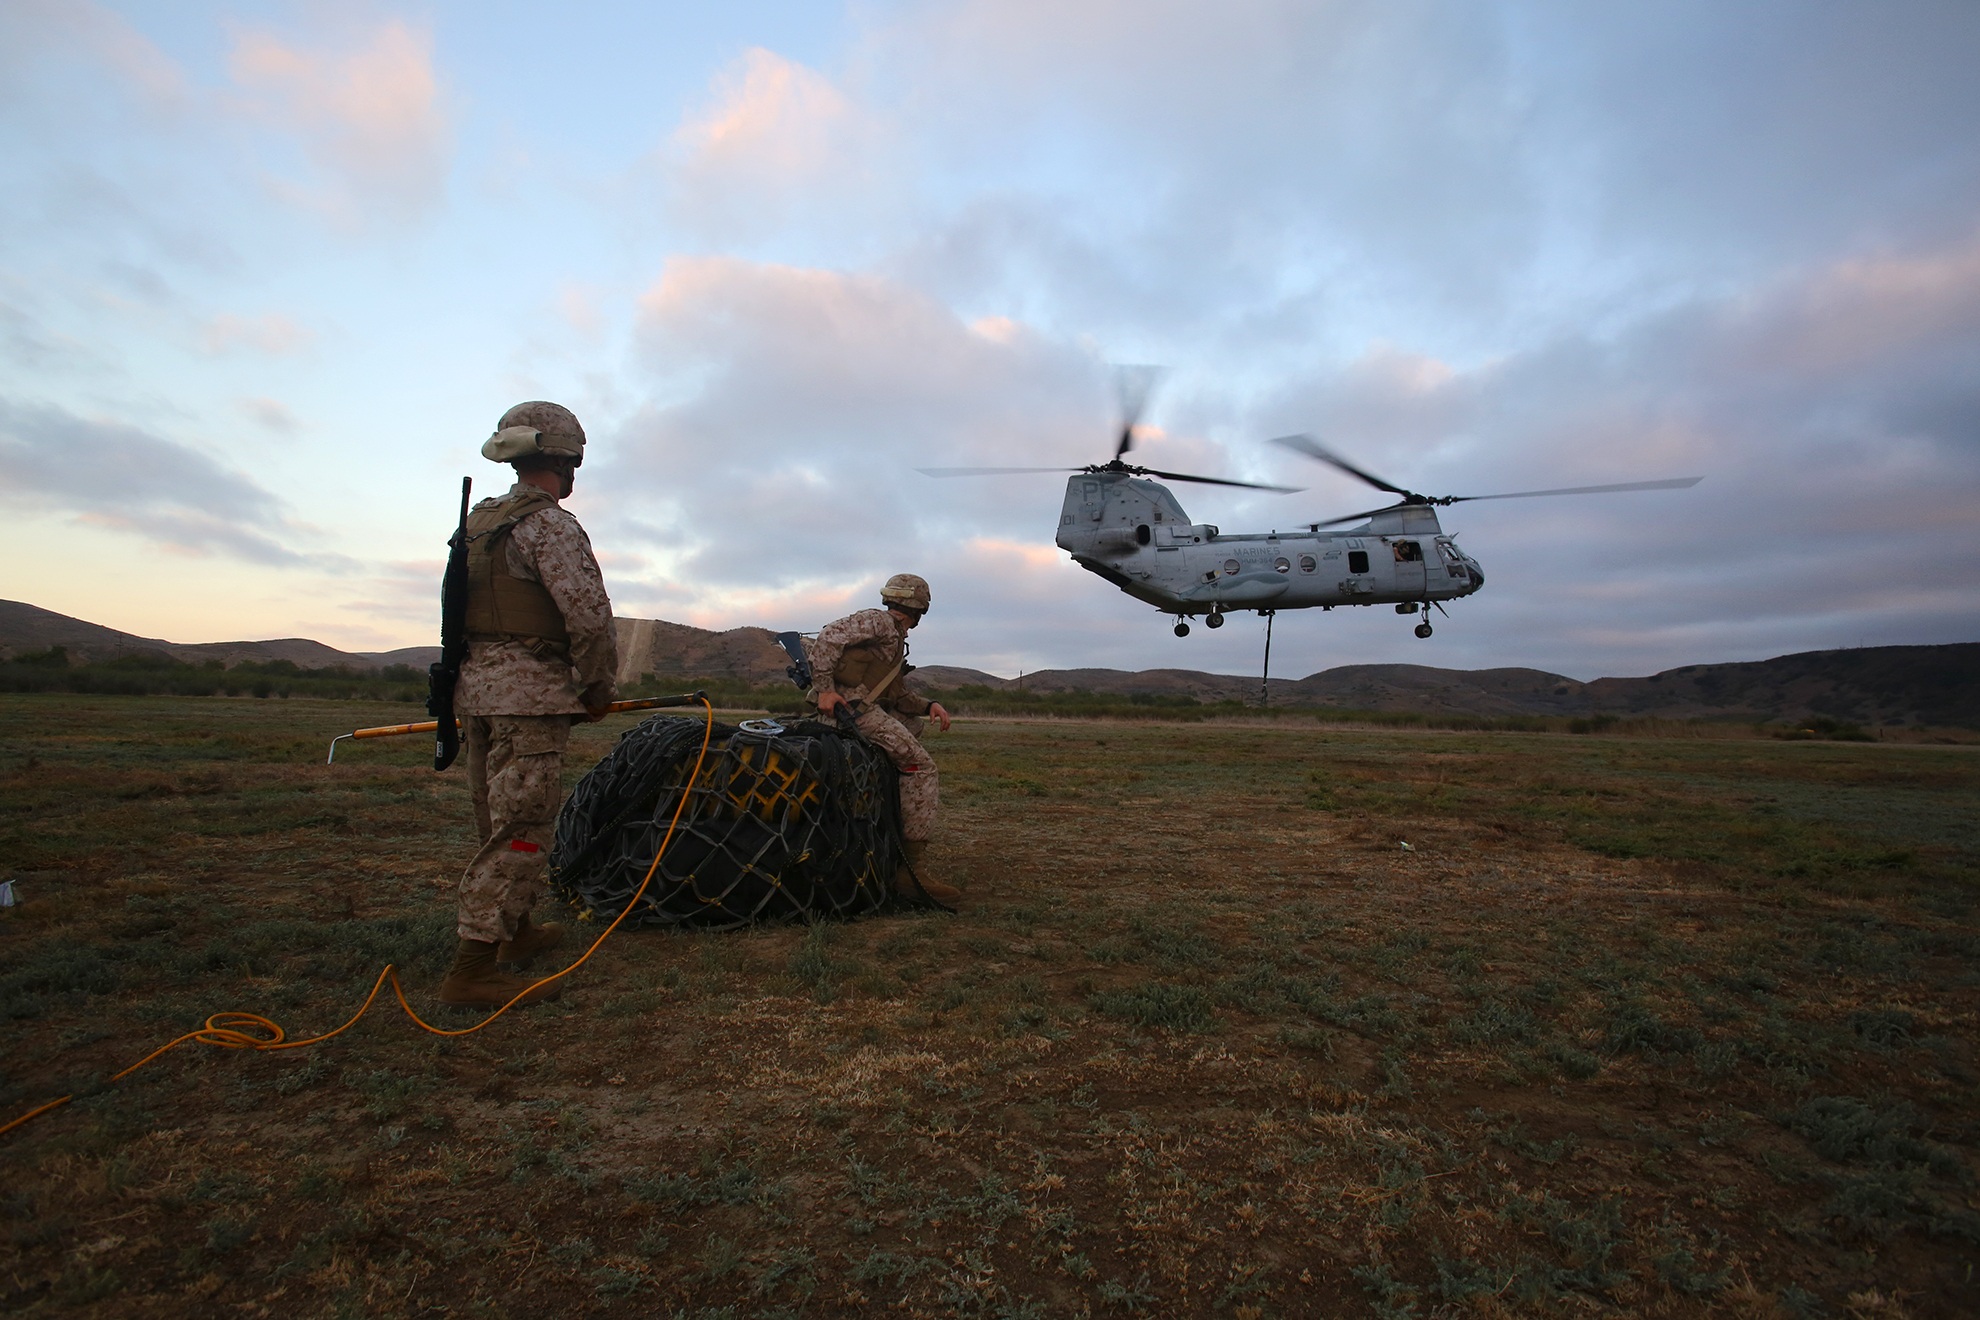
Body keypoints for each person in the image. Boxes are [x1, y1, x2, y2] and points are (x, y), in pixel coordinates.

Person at [437, 401, 618, 1009]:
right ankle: (472, 968)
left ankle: (514, 933)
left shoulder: (480, 525)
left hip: (478, 694)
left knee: (499, 820)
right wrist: (596, 688)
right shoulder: (550, 526)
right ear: (568, 461)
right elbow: (589, 617)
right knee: (521, 829)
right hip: (529, 699)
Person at [810, 574, 961, 904]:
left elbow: (897, 694)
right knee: (920, 767)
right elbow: (829, 636)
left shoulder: (891, 637)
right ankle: (910, 871)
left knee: (911, 727)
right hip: (854, 712)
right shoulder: (879, 623)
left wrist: (928, 705)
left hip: (859, 707)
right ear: (919, 610)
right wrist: (824, 690)